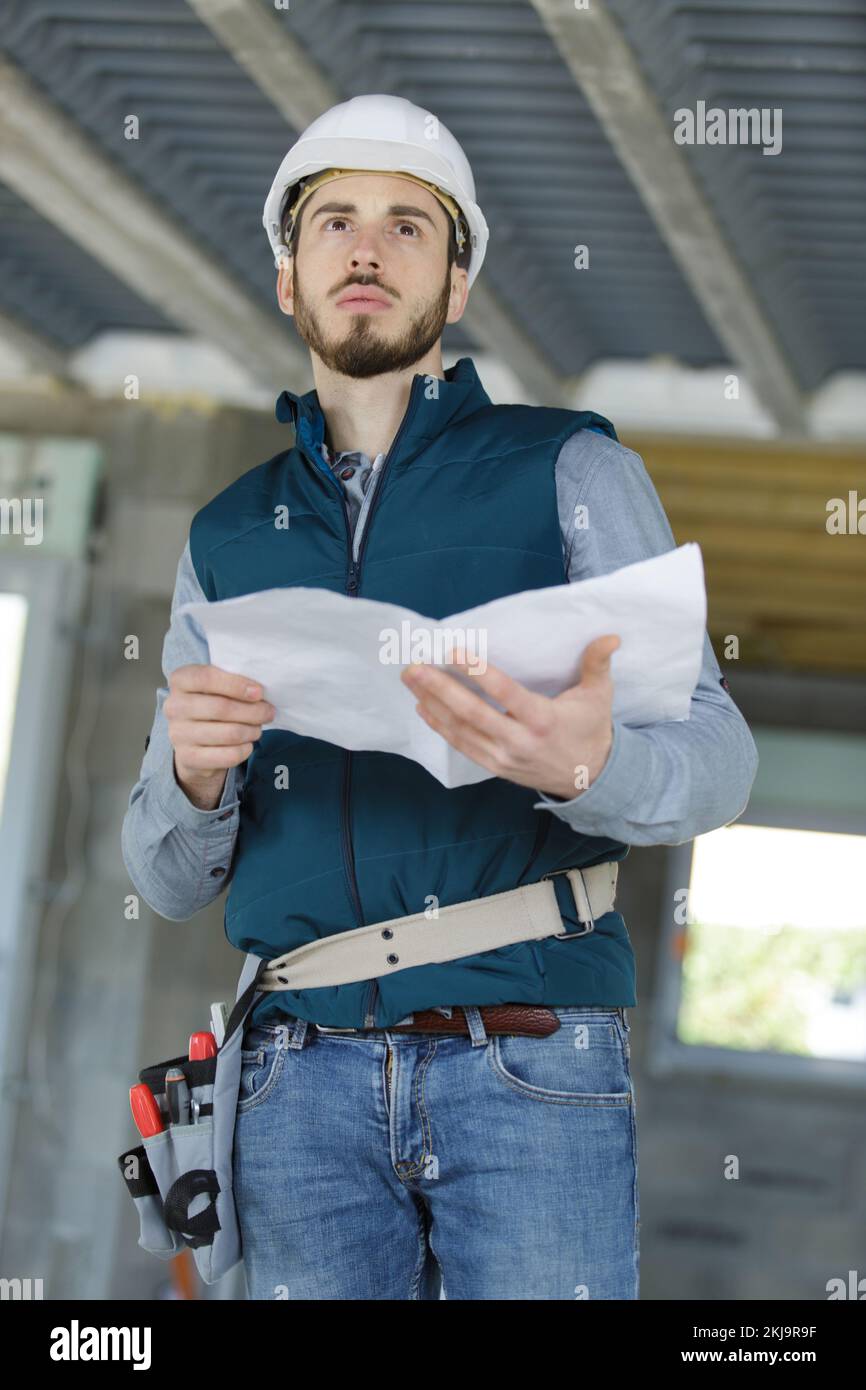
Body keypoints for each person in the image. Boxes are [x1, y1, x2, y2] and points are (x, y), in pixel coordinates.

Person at [121, 94, 759, 1300]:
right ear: (288, 279)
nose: (366, 249)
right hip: (290, 1084)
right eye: (335, 224)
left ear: (455, 285)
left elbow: (717, 761)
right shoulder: (222, 536)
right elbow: (164, 878)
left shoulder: (570, 469)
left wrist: (588, 766)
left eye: (409, 226)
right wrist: (193, 776)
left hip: (526, 1062)